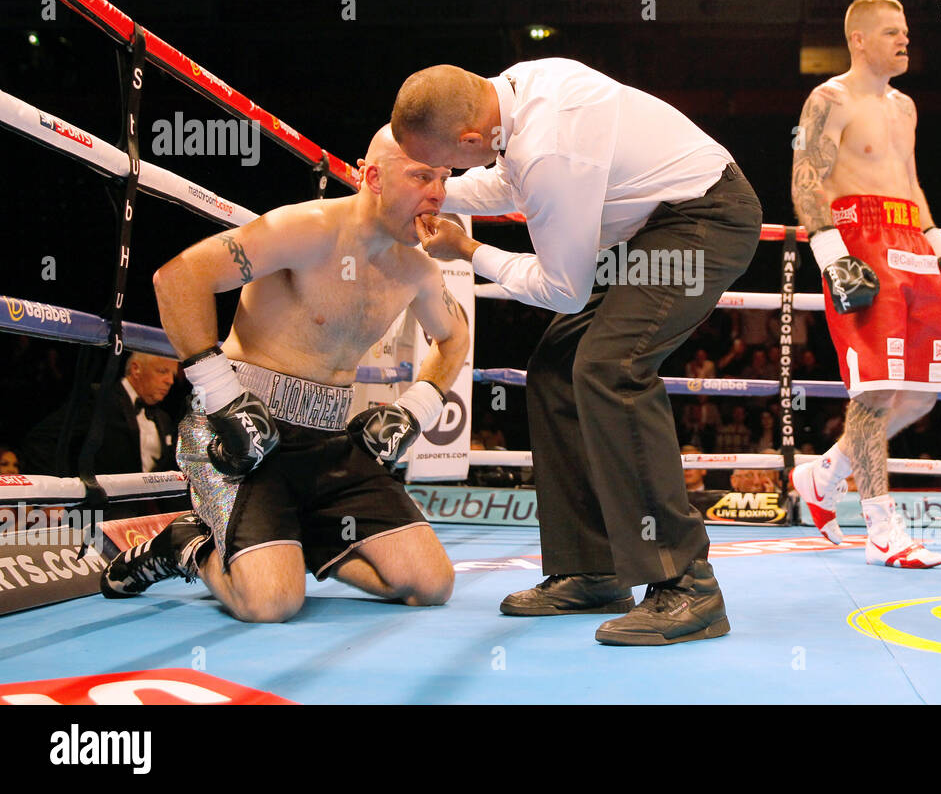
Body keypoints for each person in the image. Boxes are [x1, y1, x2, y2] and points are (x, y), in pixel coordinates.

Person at [392, 57, 762, 646]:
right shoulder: (515, 93)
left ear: (466, 138)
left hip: (704, 219)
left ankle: (687, 584)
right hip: (649, 228)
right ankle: (593, 569)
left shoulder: (549, 148)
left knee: (611, 367)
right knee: (559, 366)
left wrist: (469, 251)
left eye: (442, 166)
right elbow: (506, 183)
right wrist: (426, 193)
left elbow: (564, 290)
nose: (442, 176)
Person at [99, 126, 468, 623]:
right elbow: (180, 277)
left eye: (444, 178)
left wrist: (417, 407)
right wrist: (221, 394)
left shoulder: (418, 271)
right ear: (374, 177)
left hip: (330, 444)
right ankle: (183, 544)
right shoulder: (307, 229)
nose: (437, 193)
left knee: (431, 584)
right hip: (239, 441)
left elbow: (454, 338)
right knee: (273, 603)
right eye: (422, 175)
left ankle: (295, 537)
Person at [788, 0, 941, 569]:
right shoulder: (829, 98)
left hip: (912, 243)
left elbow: (911, 184)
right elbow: (804, 180)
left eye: (907, 33)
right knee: (872, 393)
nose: (905, 41)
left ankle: (825, 474)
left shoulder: (906, 107)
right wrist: (831, 254)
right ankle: (881, 529)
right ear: (859, 40)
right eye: (893, 32)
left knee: (920, 391)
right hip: (859, 239)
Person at [22, 351, 180, 476]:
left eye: (172, 374)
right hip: (99, 512)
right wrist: (54, 495)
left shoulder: (163, 418)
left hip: (148, 512)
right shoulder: (99, 399)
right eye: (162, 371)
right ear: (135, 369)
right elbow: (42, 438)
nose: (170, 381)